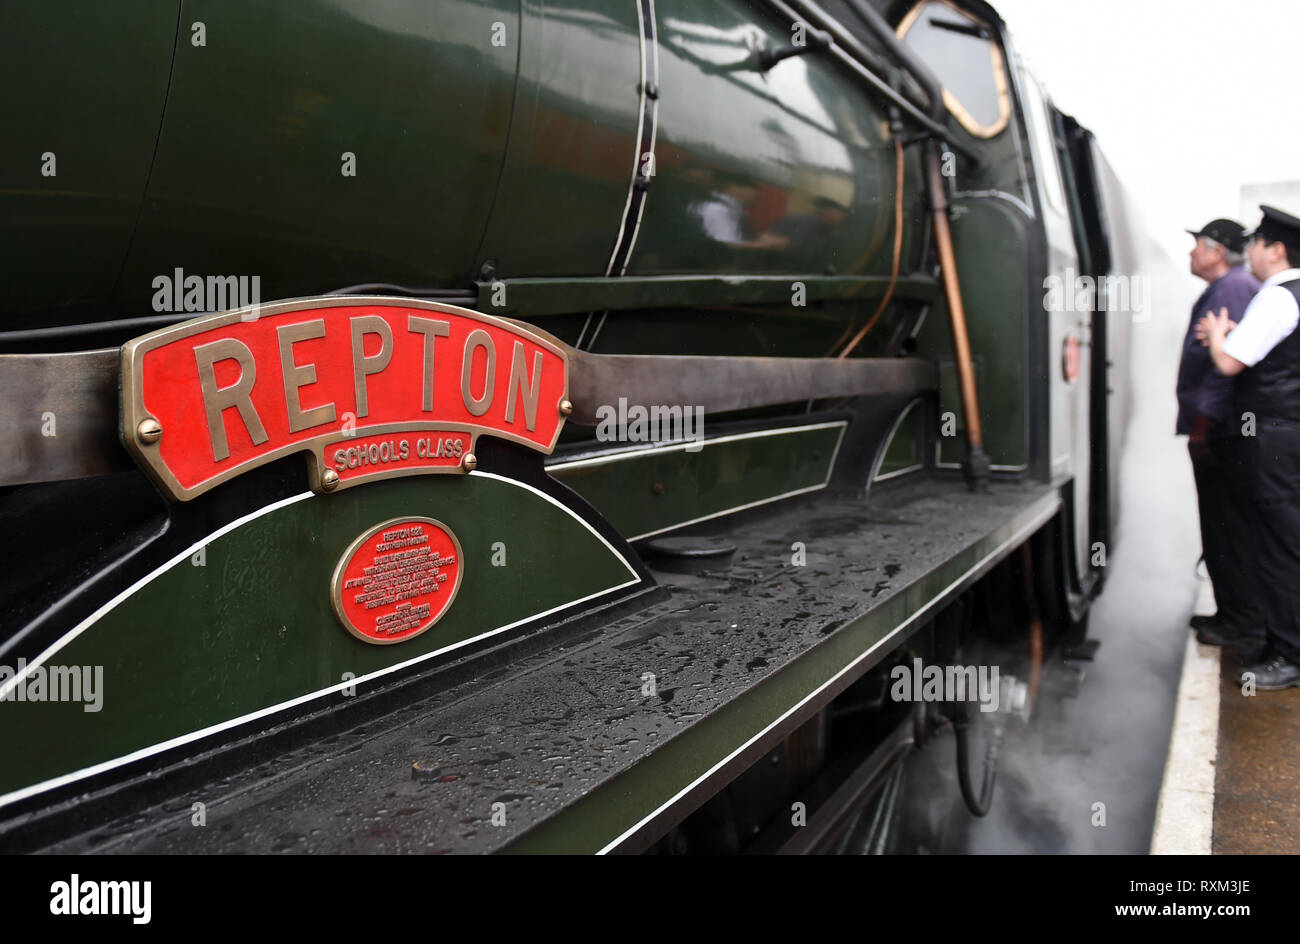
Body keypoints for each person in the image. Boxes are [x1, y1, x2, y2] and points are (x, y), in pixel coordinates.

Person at [1198, 205, 1300, 690]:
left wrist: (1220, 336)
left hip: (1273, 437)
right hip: (1289, 433)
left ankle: (1289, 654)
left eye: (1256, 243)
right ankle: (1283, 642)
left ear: (1275, 251)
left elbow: (1229, 364)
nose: (1250, 252)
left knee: (1277, 548)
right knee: (1284, 542)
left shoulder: (1277, 298)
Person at [1177, 219, 1264, 660]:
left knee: (1229, 527)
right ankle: (1229, 612)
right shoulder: (1227, 288)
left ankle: (1243, 623)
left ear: (1216, 251)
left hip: (1223, 432)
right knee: (1221, 526)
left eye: (1197, 245)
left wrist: (1202, 428)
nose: (1191, 253)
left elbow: (1221, 372)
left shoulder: (1232, 289)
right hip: (1221, 430)